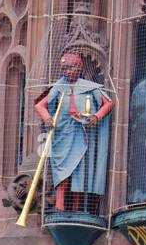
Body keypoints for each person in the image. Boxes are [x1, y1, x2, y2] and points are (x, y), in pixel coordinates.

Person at [35, 52, 114, 213]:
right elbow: (40, 105)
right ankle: (60, 206)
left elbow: (108, 103)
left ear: (79, 67)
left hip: (82, 132)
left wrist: (96, 117)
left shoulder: (89, 86)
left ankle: (77, 209)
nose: (67, 72)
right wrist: (47, 118)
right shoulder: (59, 86)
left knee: (80, 171)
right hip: (63, 133)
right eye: (64, 69)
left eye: (70, 68)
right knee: (62, 171)